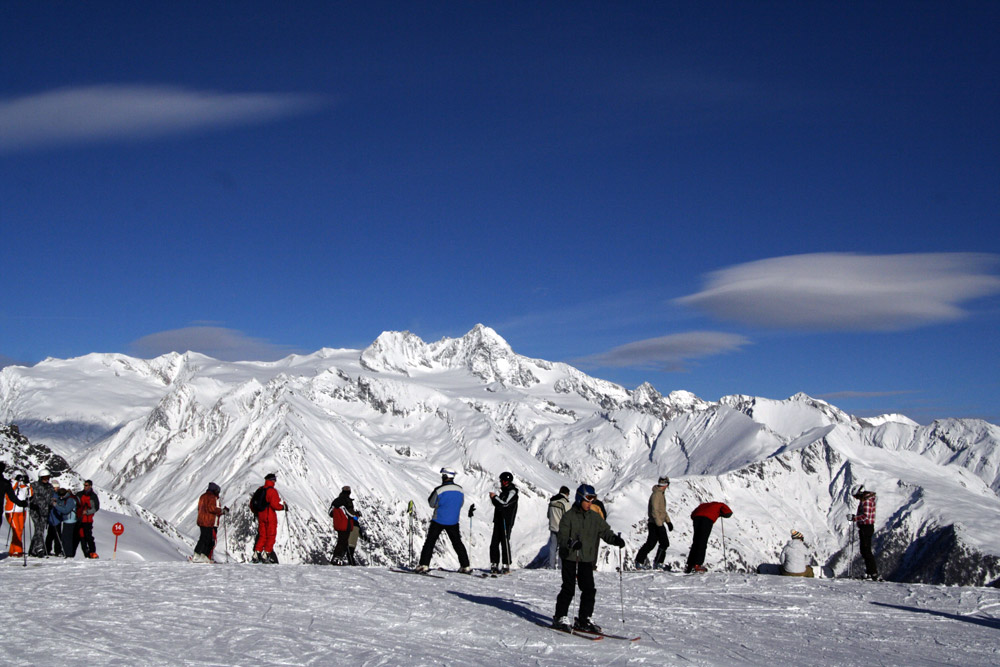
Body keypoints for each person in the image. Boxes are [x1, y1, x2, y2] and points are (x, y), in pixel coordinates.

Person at [551, 484, 626, 634]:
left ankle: (584, 618)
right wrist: (571, 543)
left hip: (586, 558)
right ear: (580, 499)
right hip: (570, 557)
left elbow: (605, 532)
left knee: (589, 590)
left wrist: (615, 540)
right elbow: (563, 537)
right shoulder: (569, 517)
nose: (590, 503)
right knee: (568, 588)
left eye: (592, 500)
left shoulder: (594, 517)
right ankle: (560, 617)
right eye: (588, 500)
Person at [414, 468, 472, 574]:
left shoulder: (440, 490)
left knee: (430, 542)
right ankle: (465, 565)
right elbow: (461, 503)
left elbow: (431, 503)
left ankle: (424, 565)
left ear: (445, 477)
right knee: (457, 543)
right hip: (454, 521)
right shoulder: (460, 490)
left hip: (439, 520)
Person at [634, 476, 673, 570]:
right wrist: (660, 524)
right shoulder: (657, 495)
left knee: (651, 543)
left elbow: (662, 510)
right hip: (656, 523)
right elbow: (655, 511)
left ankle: (640, 561)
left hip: (655, 522)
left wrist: (668, 522)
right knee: (663, 543)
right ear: (666, 484)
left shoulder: (659, 494)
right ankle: (657, 563)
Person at [685, 501, 733, 573]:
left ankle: (690, 565)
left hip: (696, 518)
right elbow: (729, 513)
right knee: (702, 542)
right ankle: (697, 565)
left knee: (696, 542)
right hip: (707, 520)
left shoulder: (703, 505)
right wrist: (720, 514)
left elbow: (692, 514)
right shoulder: (720, 505)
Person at [489, 471, 519, 574]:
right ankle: (494, 563)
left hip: (506, 521)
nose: (502, 482)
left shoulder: (512, 492)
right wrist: (495, 499)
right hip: (498, 520)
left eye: (504, 481)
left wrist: (494, 497)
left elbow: (505, 504)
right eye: (502, 480)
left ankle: (506, 565)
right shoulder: (504, 492)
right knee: (494, 543)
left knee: (504, 543)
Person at [252, 472, 286, 563]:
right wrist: (283, 507)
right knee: (271, 536)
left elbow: (252, 503)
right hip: (269, 516)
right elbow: (275, 505)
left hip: (261, 516)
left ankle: (257, 553)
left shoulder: (260, 489)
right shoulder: (272, 491)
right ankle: (266, 554)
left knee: (262, 536)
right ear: (272, 481)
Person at [193, 482, 229, 563]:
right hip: (208, 520)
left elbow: (201, 508)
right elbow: (211, 508)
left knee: (203, 538)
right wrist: (221, 510)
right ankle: (201, 555)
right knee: (208, 539)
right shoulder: (212, 497)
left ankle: (199, 555)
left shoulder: (203, 496)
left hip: (201, 519)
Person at [850, 485, 879, 580]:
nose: (856, 498)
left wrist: (855, 518)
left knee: (866, 550)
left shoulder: (866, 501)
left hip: (866, 527)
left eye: (857, 496)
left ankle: (873, 573)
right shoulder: (866, 500)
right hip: (866, 527)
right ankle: (870, 572)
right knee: (864, 550)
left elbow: (865, 516)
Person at [28, 468, 56, 557]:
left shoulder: (50, 487)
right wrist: (31, 504)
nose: (46, 479)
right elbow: (28, 496)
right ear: (40, 477)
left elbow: (51, 497)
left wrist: (51, 504)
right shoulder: (34, 485)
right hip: (35, 510)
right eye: (44, 477)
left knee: (39, 530)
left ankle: (32, 549)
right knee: (39, 528)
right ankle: (39, 549)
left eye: (47, 477)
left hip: (45, 511)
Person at [330, 486, 361, 565]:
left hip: (338, 524)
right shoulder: (347, 501)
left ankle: (336, 557)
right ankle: (338, 558)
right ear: (349, 492)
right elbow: (350, 514)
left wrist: (338, 516)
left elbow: (330, 513)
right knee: (343, 541)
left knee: (341, 540)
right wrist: (357, 515)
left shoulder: (336, 501)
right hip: (346, 525)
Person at [3, 466, 30, 556]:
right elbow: (10, 491)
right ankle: (18, 550)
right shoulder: (9, 484)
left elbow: (29, 494)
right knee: (16, 530)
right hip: (11, 511)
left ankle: (13, 549)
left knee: (20, 530)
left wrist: (27, 484)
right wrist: (16, 481)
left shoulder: (22, 486)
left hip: (21, 511)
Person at [546, 486, 571, 569]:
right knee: (562, 548)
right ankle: (561, 567)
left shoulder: (552, 501)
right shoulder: (565, 503)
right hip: (562, 529)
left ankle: (551, 566)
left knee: (553, 547)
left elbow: (548, 515)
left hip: (553, 527)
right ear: (566, 493)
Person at [53, 485, 79, 558]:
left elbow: (66, 510)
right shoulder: (67, 498)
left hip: (70, 521)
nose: (60, 497)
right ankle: (67, 553)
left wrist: (56, 505)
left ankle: (68, 554)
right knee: (65, 538)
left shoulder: (70, 500)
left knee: (67, 538)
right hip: (67, 520)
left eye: (61, 496)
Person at [78, 479, 100, 559]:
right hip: (80, 519)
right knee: (82, 536)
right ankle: (86, 553)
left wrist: (87, 512)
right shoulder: (80, 494)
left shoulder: (93, 496)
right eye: (84, 485)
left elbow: (96, 508)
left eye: (86, 485)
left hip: (88, 520)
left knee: (88, 536)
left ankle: (92, 552)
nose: (85, 487)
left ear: (90, 486)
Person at [46, 480, 65, 556]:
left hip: (54, 518)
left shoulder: (53, 494)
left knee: (50, 535)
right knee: (57, 535)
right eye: (56, 487)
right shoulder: (55, 495)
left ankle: (47, 549)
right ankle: (57, 550)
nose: (57, 488)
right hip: (55, 518)